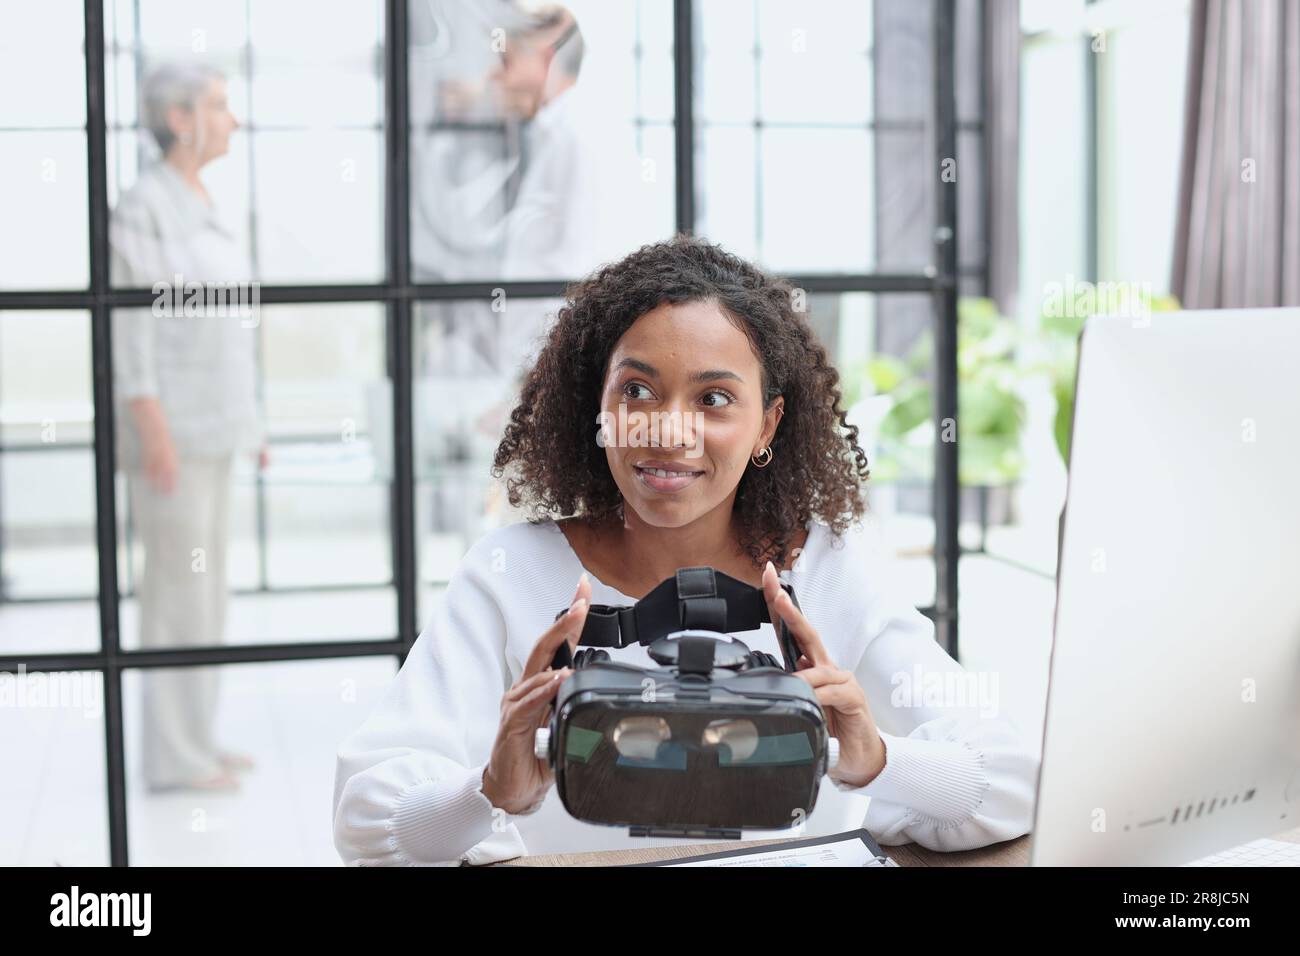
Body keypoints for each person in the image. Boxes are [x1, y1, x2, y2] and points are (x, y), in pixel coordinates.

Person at [332, 236, 1039, 864]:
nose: (668, 432)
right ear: (598, 410)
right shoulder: (510, 575)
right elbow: (367, 820)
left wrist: (875, 760)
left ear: (767, 424)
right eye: (637, 389)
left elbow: (1016, 780)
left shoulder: (826, 571)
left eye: (713, 400)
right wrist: (488, 793)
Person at [110, 62, 263, 792]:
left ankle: (198, 740)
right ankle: (174, 759)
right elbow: (131, 334)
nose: (230, 120)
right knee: (176, 596)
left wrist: (251, 421)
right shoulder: (143, 207)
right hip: (172, 439)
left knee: (207, 595)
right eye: (218, 105)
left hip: (216, 431)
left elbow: (232, 327)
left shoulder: (206, 202)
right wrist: (152, 427)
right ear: (178, 119)